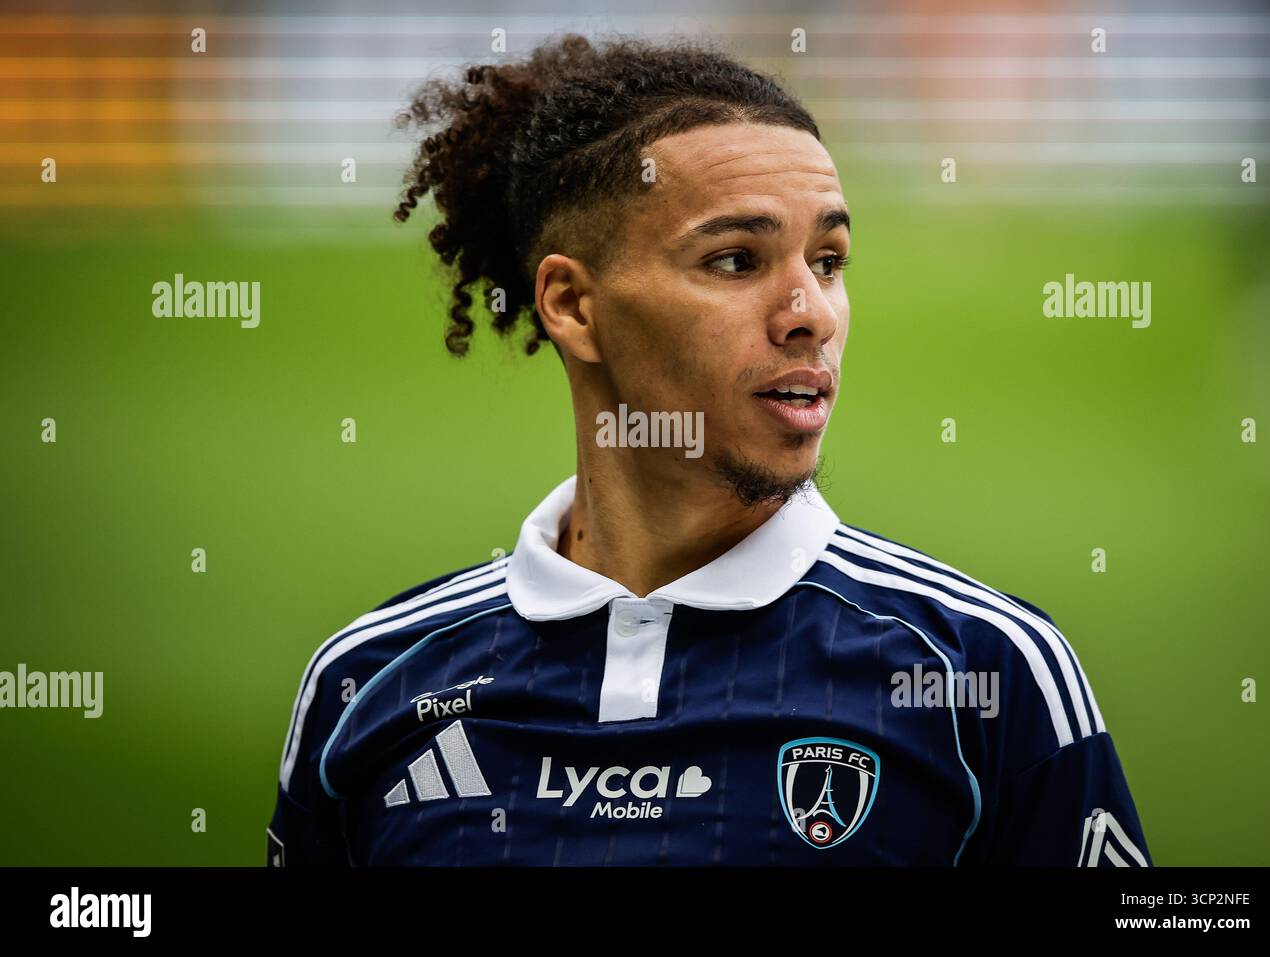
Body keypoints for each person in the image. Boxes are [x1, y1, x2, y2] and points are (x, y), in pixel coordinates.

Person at [268, 33, 1150, 866]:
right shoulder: (369, 686)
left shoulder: (983, 674)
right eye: (736, 261)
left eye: (830, 259)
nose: (811, 311)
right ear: (573, 305)